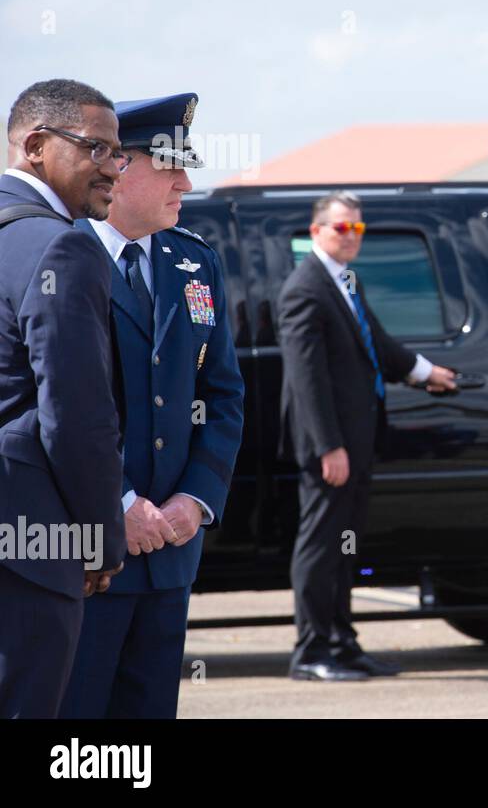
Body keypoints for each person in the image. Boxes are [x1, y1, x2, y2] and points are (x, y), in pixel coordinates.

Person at [59, 93, 245, 718]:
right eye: (171, 166)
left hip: (169, 548)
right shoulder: (59, 257)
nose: (187, 182)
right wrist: (118, 505)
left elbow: (222, 395)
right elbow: (54, 408)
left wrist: (196, 498)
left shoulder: (194, 260)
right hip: (90, 551)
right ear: (122, 168)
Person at [278, 190, 457, 681]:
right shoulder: (305, 288)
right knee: (319, 546)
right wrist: (326, 447)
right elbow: (305, 377)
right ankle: (312, 652)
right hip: (331, 446)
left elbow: (376, 343)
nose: (351, 236)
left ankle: (342, 642)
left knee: (344, 544)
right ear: (317, 231)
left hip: (357, 440)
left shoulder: (344, 280)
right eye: (342, 227)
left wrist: (425, 373)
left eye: (357, 228)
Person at [0, 79, 128, 716]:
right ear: (36, 146)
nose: (113, 170)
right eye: (97, 150)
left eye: (119, 154)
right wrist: (100, 540)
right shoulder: (61, 244)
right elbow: (76, 414)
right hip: (28, 539)